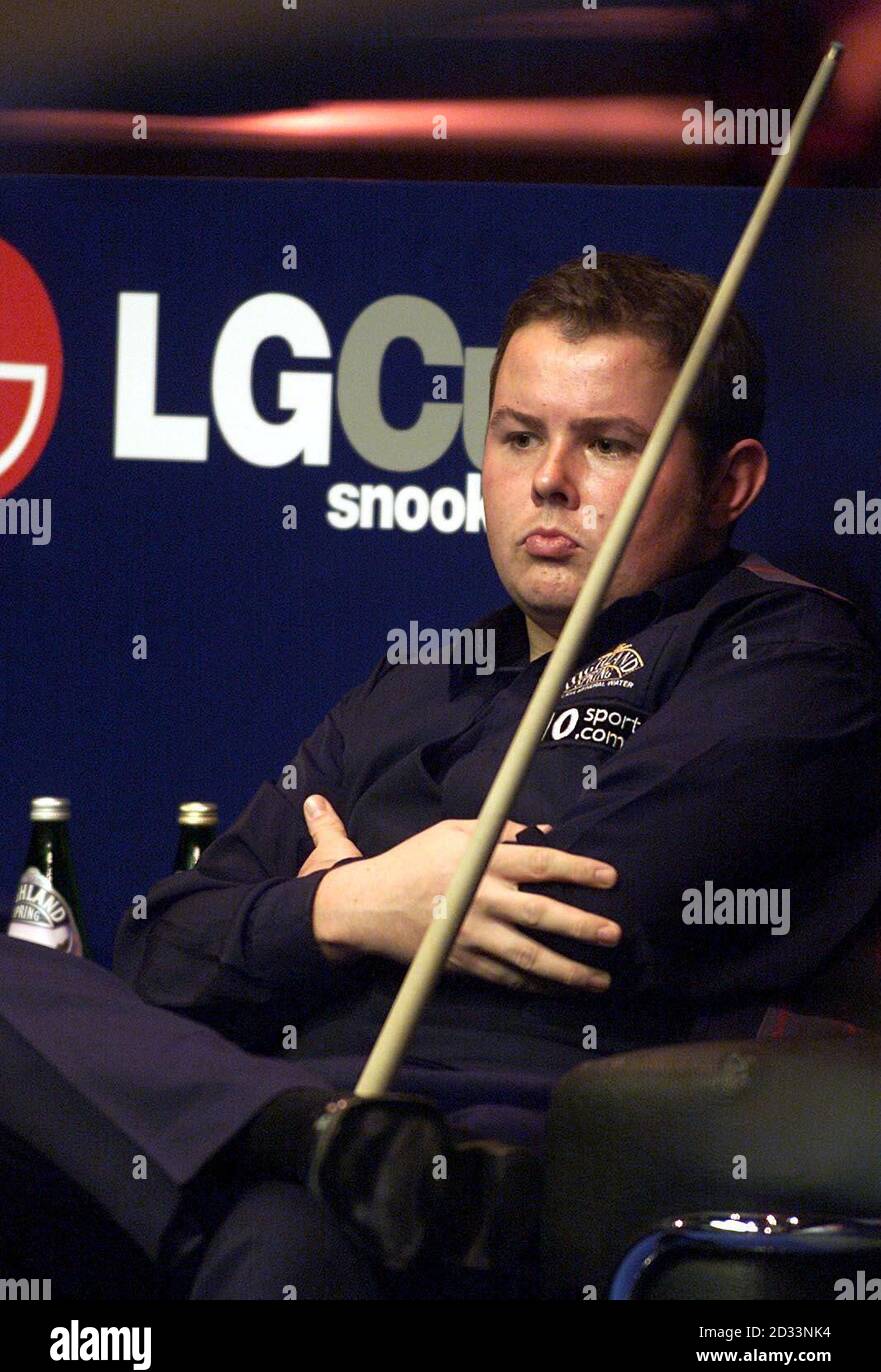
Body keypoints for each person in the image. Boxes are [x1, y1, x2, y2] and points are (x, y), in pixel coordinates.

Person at [2, 252, 880, 1299]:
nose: (547, 480)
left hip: (506, 1143)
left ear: (728, 484)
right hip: (285, 1109)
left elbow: (592, 899)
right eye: (517, 437)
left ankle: (319, 1154)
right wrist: (354, 903)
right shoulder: (422, 675)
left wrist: (338, 900)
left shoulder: (784, 654)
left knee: (283, 1238)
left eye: (607, 445)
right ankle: (311, 1139)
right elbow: (160, 945)